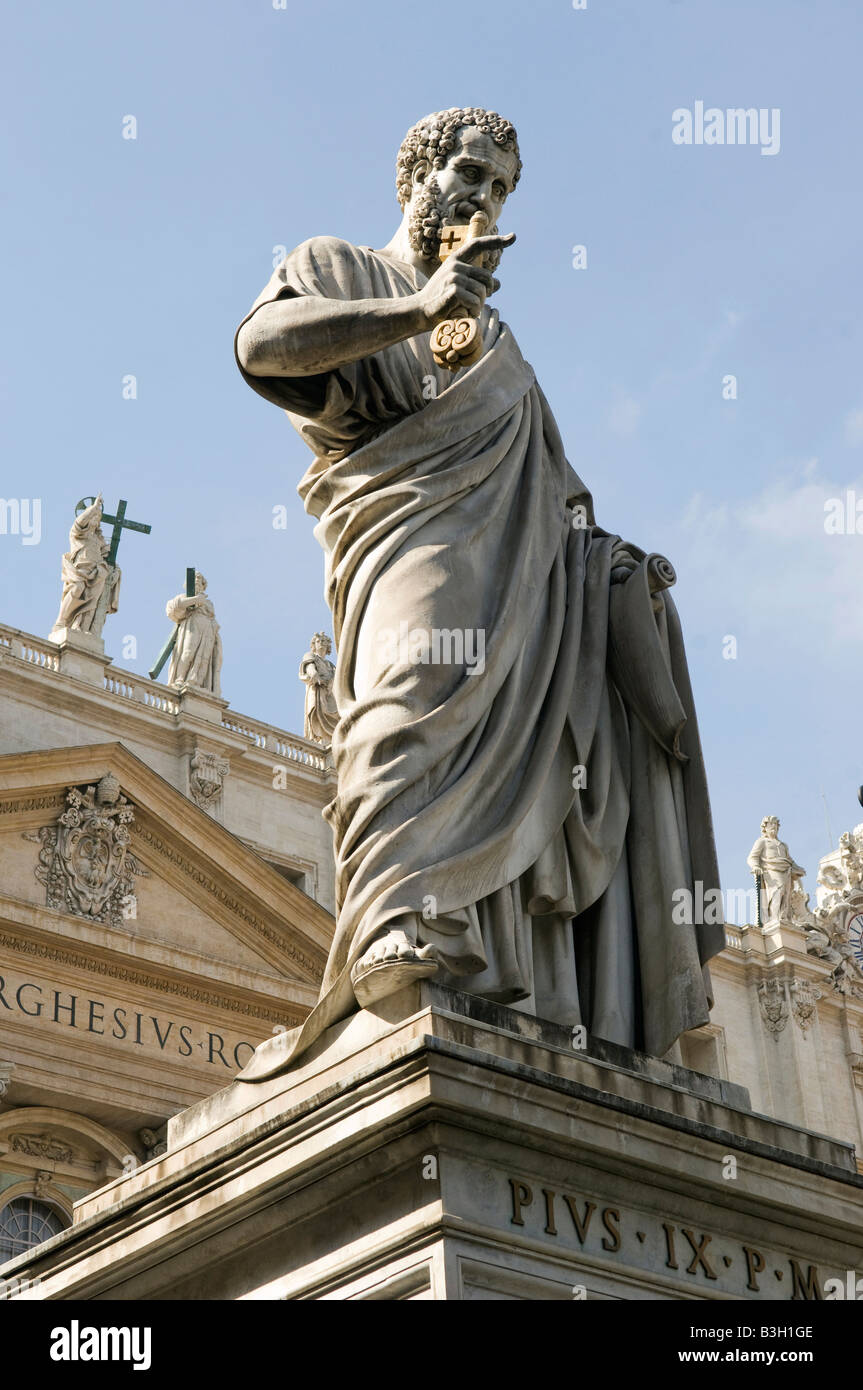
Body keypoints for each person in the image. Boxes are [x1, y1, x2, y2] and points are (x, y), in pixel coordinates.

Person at [235, 107, 725, 1077]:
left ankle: (497, 971)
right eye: (468, 173)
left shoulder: (494, 341)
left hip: (522, 593)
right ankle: (393, 925)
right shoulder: (339, 267)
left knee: (529, 743)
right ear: (414, 174)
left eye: (500, 188)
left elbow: (554, 498)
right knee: (402, 703)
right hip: (403, 538)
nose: (483, 199)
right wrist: (417, 313)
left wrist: (614, 572)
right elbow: (262, 346)